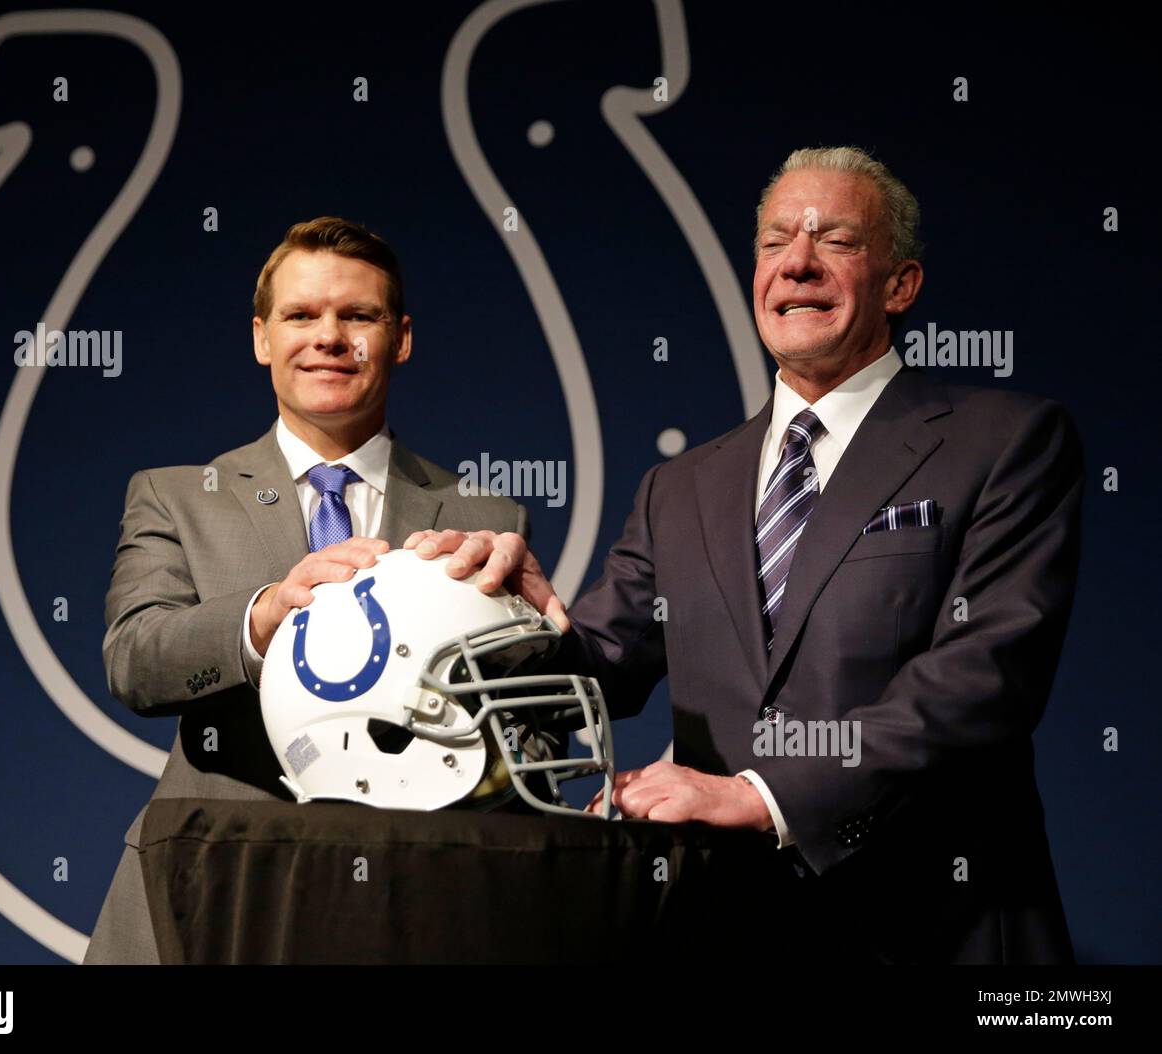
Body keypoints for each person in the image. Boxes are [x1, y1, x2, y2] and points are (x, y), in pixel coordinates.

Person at [406, 147, 1083, 964]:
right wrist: (514, 612)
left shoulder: (1005, 440)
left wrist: (763, 794)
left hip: (936, 924)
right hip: (721, 927)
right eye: (773, 244)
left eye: (835, 241)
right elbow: (598, 665)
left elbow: (985, 682)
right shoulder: (681, 486)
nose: (797, 264)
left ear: (901, 285)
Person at [84, 217, 526, 963]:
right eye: (300, 315)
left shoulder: (485, 518)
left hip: (413, 903)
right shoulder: (176, 496)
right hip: (209, 892)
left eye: (357, 315)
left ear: (402, 337)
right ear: (262, 338)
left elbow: (521, 732)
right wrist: (260, 620)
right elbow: (134, 658)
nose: (328, 336)